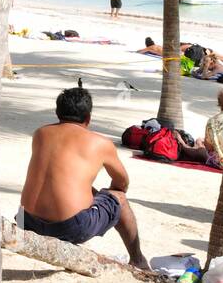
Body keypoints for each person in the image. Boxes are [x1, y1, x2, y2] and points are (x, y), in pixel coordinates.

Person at [17, 87, 148, 268]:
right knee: (120, 198)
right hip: (68, 228)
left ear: (57, 113)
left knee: (83, 189)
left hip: (25, 220)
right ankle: (138, 260)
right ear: (88, 118)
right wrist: (106, 195)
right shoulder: (100, 143)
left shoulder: (40, 133)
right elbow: (122, 182)